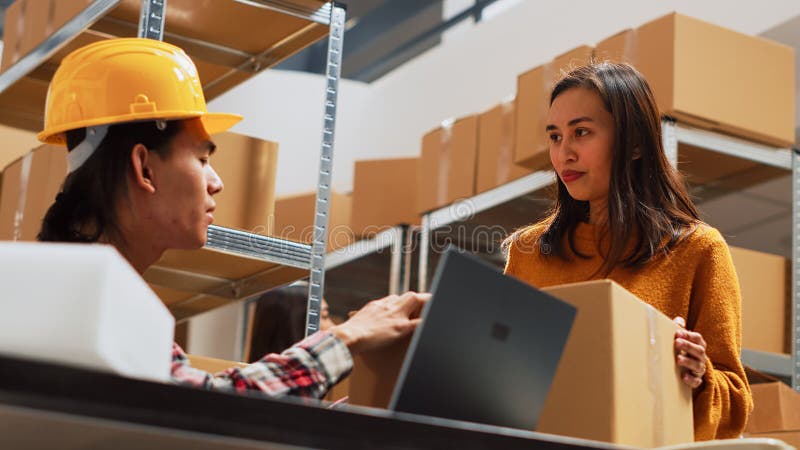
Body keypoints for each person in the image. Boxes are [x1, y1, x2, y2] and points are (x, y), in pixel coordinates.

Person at [36, 37, 428, 399]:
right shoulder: (83, 298)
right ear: (144, 168)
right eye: (203, 159)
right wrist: (348, 337)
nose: (216, 182)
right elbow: (205, 410)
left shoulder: (93, 294)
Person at [503, 62, 751, 440]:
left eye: (581, 132)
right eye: (555, 137)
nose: (563, 153)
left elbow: (735, 407)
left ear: (634, 143)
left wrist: (698, 377)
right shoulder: (528, 253)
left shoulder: (698, 249)